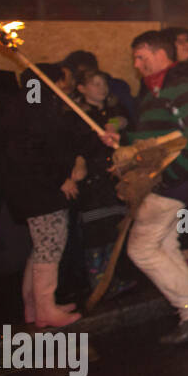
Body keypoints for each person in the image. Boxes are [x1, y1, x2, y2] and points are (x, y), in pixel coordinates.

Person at [103, 30, 188, 342]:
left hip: (172, 185)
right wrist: (124, 142)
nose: (137, 64)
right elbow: (154, 142)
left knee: (141, 248)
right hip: (166, 183)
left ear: (159, 54)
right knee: (165, 246)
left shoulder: (180, 88)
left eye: (141, 56)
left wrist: (171, 176)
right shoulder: (154, 93)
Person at [0, 66, 82, 328]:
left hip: (31, 191)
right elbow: (36, 151)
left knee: (41, 248)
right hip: (41, 193)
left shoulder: (25, 103)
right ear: (54, 80)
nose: (66, 85)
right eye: (64, 79)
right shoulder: (37, 106)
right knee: (49, 247)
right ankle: (45, 309)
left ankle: (35, 305)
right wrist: (61, 179)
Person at [73, 69, 132, 296]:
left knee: (113, 230)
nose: (101, 88)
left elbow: (127, 121)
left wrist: (116, 123)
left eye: (103, 83)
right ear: (82, 88)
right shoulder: (76, 116)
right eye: (95, 83)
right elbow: (77, 145)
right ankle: (97, 283)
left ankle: (112, 278)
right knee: (95, 233)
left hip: (113, 180)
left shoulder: (113, 111)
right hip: (92, 183)